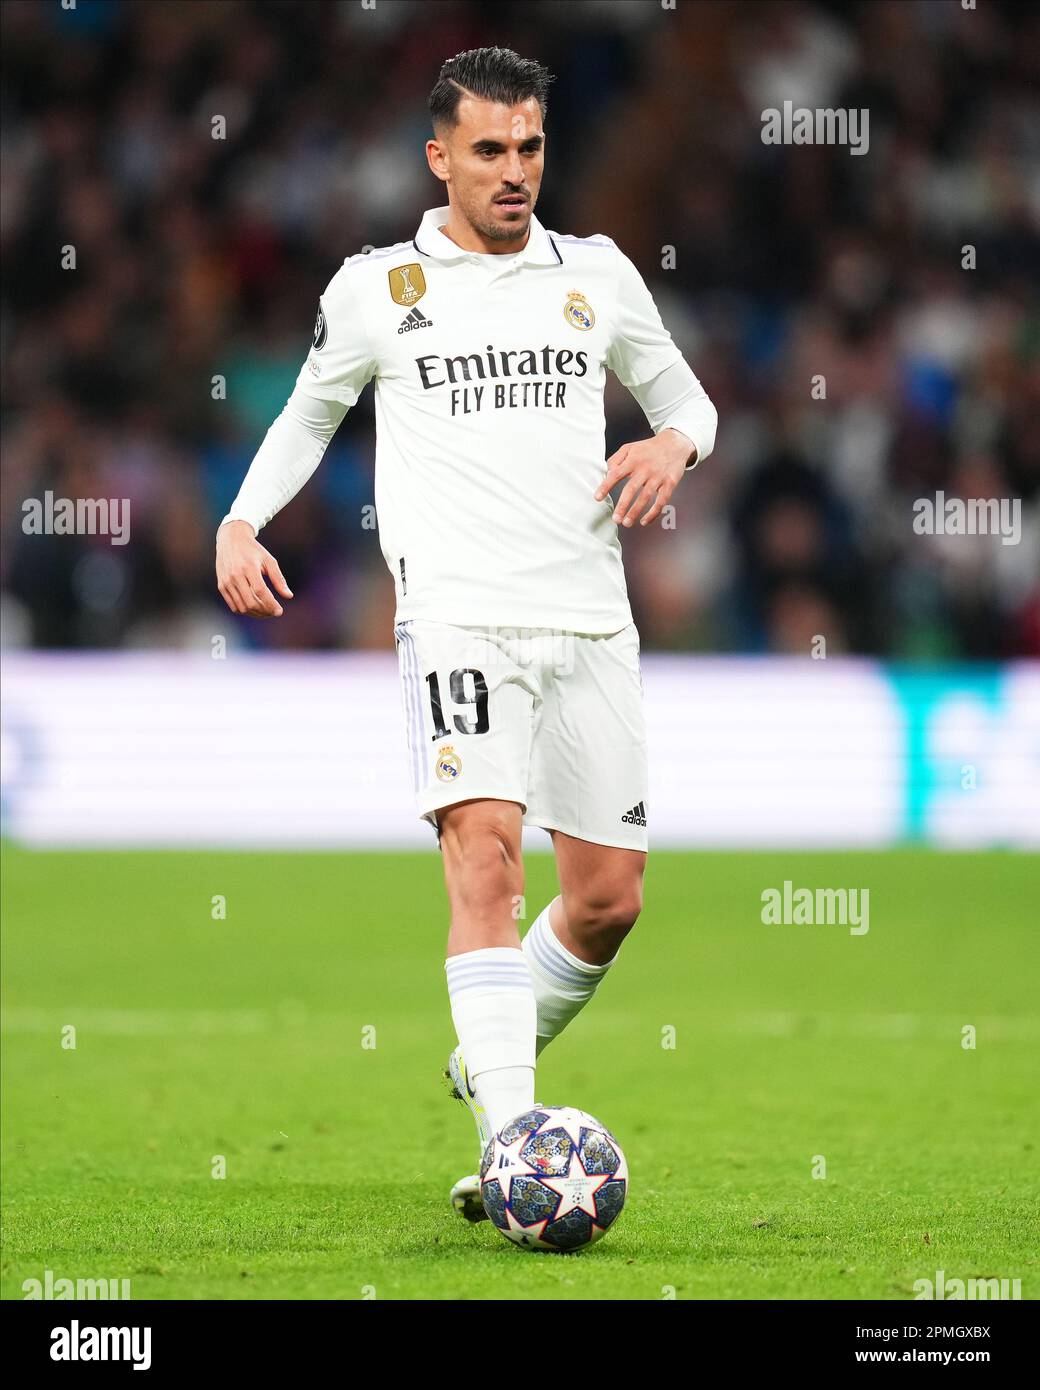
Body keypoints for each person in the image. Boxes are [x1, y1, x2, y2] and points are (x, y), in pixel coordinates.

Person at [215, 46, 717, 1224]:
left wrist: (669, 446)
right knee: (484, 854)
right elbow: (307, 416)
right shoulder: (377, 289)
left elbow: (685, 400)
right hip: (455, 616)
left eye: (530, 147)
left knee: (607, 898)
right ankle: (510, 1141)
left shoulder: (594, 275)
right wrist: (241, 521)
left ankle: (484, 1061)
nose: (513, 171)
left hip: (589, 618)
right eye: (488, 150)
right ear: (438, 156)